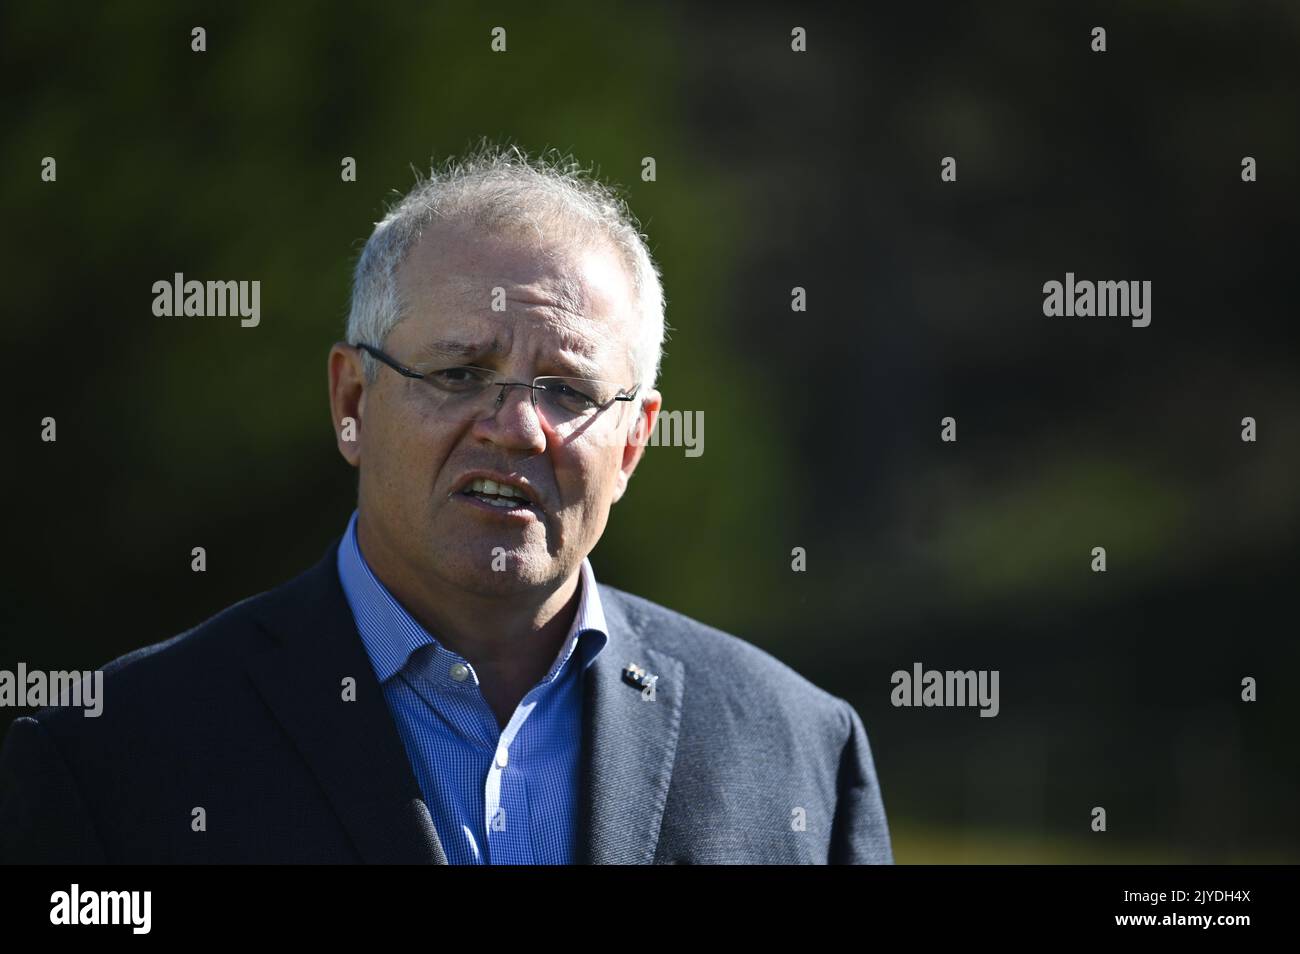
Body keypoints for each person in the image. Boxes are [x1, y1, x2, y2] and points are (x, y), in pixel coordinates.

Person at [0, 143, 893, 864]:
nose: (517, 427)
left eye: (569, 392)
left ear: (632, 442)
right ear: (352, 403)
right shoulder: (113, 755)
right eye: (461, 373)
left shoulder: (799, 751)